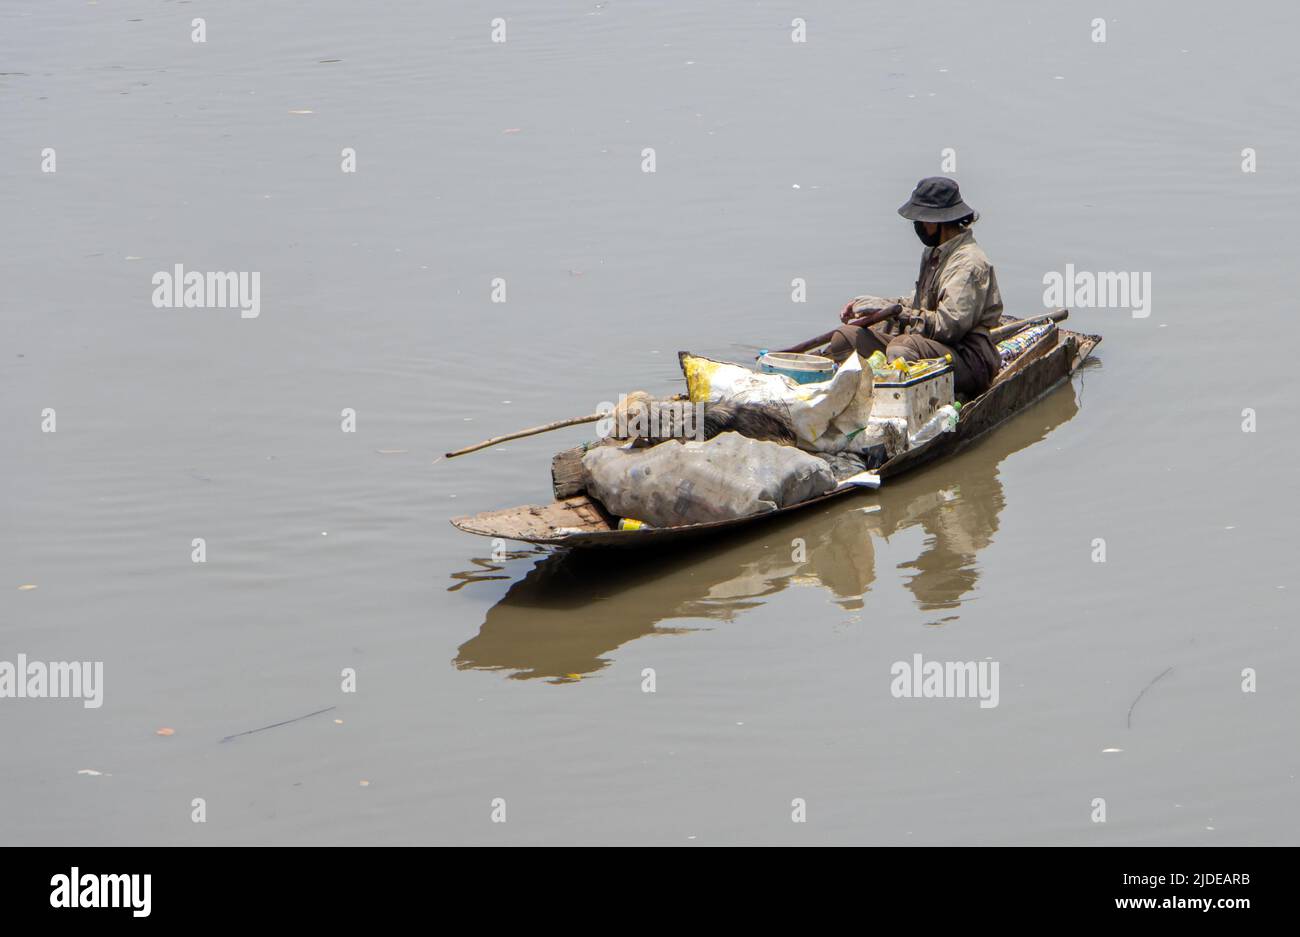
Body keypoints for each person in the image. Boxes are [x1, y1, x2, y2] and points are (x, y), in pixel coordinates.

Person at [826, 177, 1003, 398]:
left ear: (938, 222)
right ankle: (851, 398)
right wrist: (879, 306)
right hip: (928, 347)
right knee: (845, 337)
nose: (917, 226)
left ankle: (900, 408)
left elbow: (947, 327)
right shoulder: (934, 253)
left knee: (901, 348)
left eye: (921, 220)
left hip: (968, 358)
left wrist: (902, 315)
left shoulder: (969, 263)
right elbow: (920, 303)